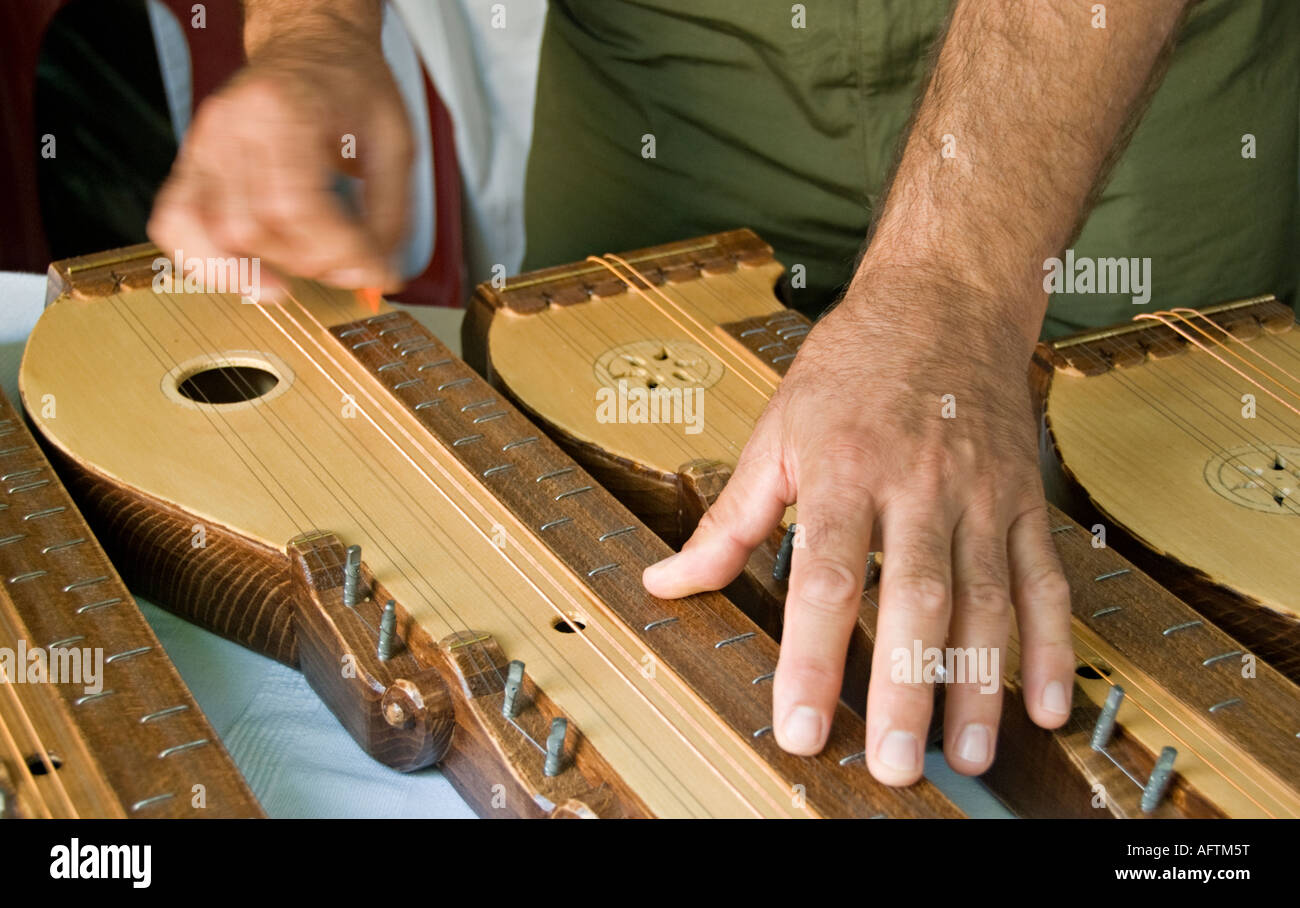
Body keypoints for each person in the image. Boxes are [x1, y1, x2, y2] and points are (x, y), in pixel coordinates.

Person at [148, 0, 1299, 789]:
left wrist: (955, 289)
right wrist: (314, 37)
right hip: (669, 76)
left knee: (1144, 586)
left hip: (1099, 79)